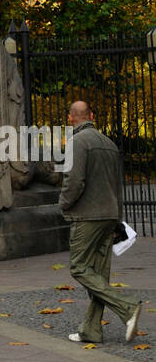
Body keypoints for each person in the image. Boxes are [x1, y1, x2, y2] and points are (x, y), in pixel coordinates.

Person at [60, 100, 141, 345]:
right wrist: (117, 216)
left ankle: (127, 309)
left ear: (71, 118)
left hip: (87, 216)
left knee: (79, 268)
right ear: (92, 115)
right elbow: (118, 184)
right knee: (99, 275)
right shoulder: (109, 144)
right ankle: (91, 330)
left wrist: (63, 204)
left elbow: (74, 182)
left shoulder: (77, 142)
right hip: (109, 215)